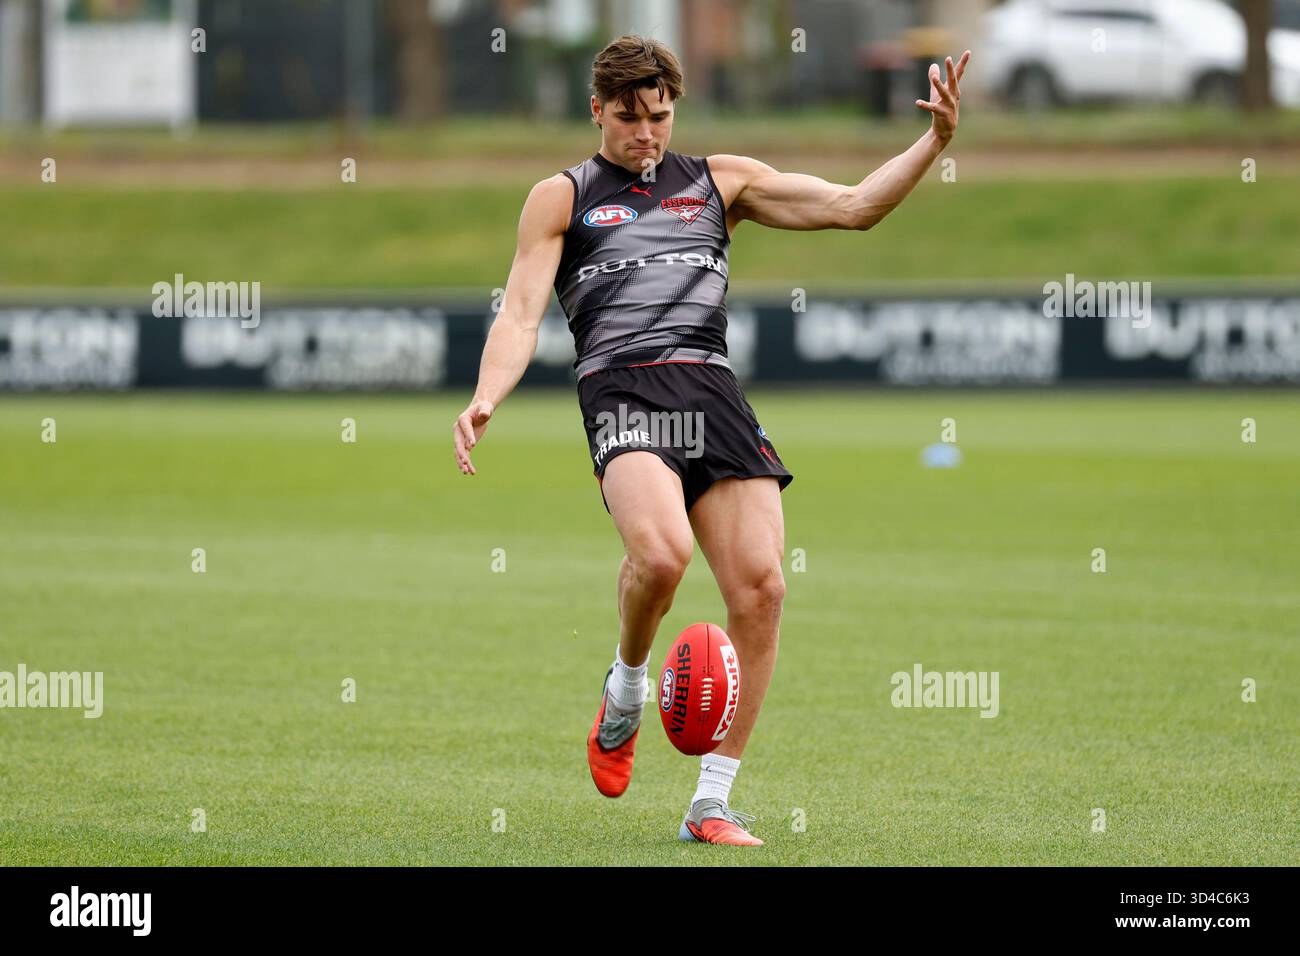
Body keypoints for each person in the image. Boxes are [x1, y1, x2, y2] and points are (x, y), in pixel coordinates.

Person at [454, 35, 969, 846]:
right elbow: (519, 313)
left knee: (761, 589)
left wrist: (933, 143)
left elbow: (851, 206)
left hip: (711, 388)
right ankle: (625, 688)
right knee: (661, 557)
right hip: (622, 388)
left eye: (660, 117)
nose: (647, 135)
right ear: (597, 110)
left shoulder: (719, 182)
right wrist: (487, 396)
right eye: (630, 119)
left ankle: (711, 804)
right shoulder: (561, 198)